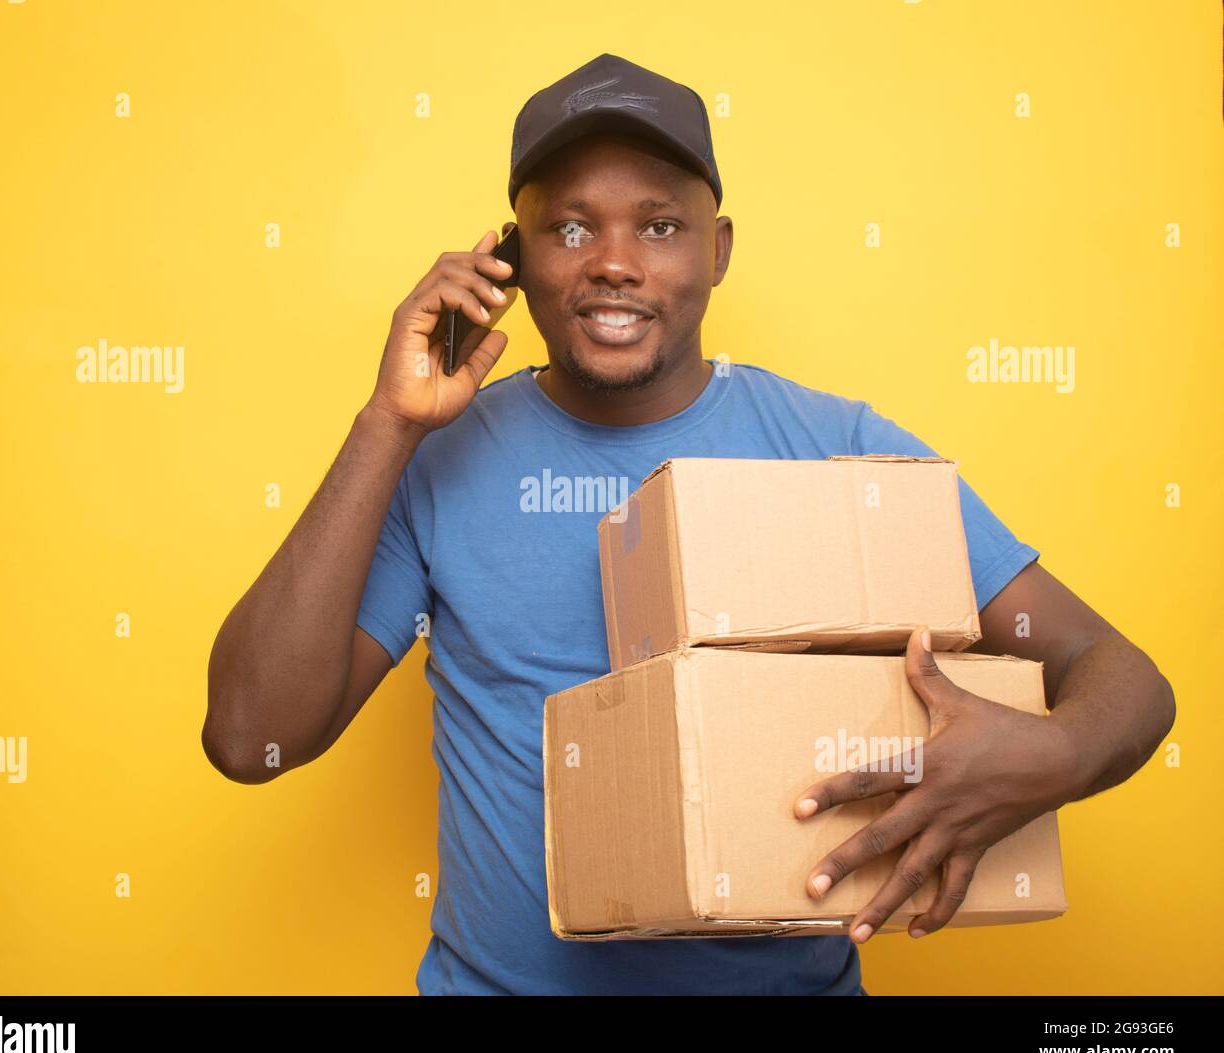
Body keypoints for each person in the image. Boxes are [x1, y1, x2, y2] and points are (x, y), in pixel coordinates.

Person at [201, 54, 1175, 995]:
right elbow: (252, 741)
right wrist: (388, 424)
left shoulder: (836, 446)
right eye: (570, 230)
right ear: (508, 257)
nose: (614, 264)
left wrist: (1050, 757)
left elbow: (1120, 675)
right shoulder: (436, 465)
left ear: (718, 250)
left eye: (660, 226)